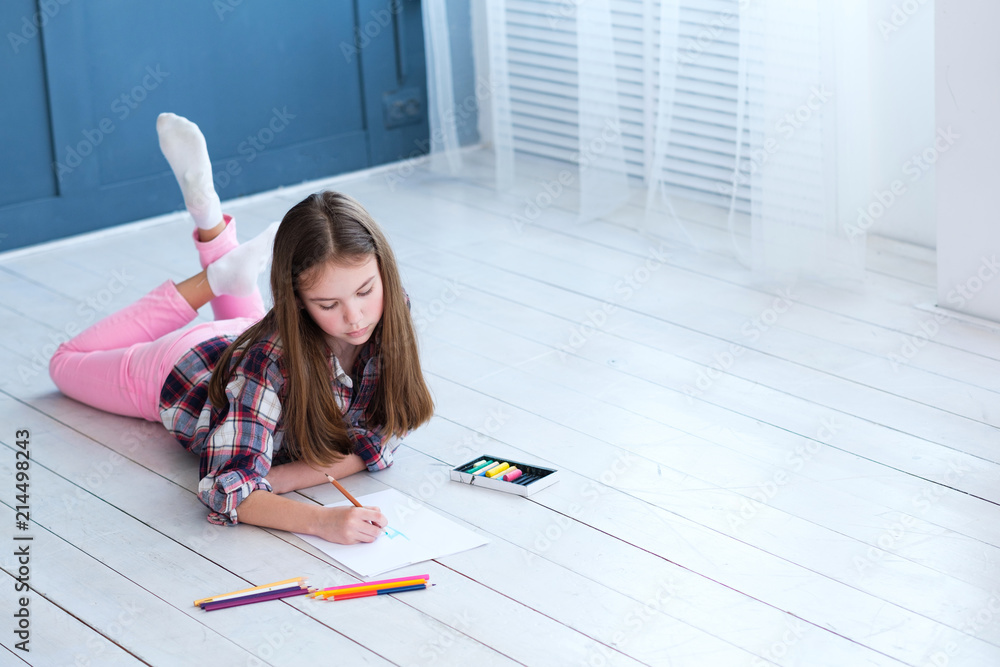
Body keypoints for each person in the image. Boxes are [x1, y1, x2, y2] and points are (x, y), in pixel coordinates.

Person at [49, 113, 434, 544]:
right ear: (298, 306)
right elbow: (225, 490)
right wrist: (322, 520)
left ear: (384, 270)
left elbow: (382, 437)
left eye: (365, 291)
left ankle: (213, 225)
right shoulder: (270, 362)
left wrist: (280, 478)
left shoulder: (389, 311)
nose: (356, 318)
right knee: (63, 362)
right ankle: (212, 281)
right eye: (329, 304)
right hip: (179, 366)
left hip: (246, 336)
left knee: (259, 338)